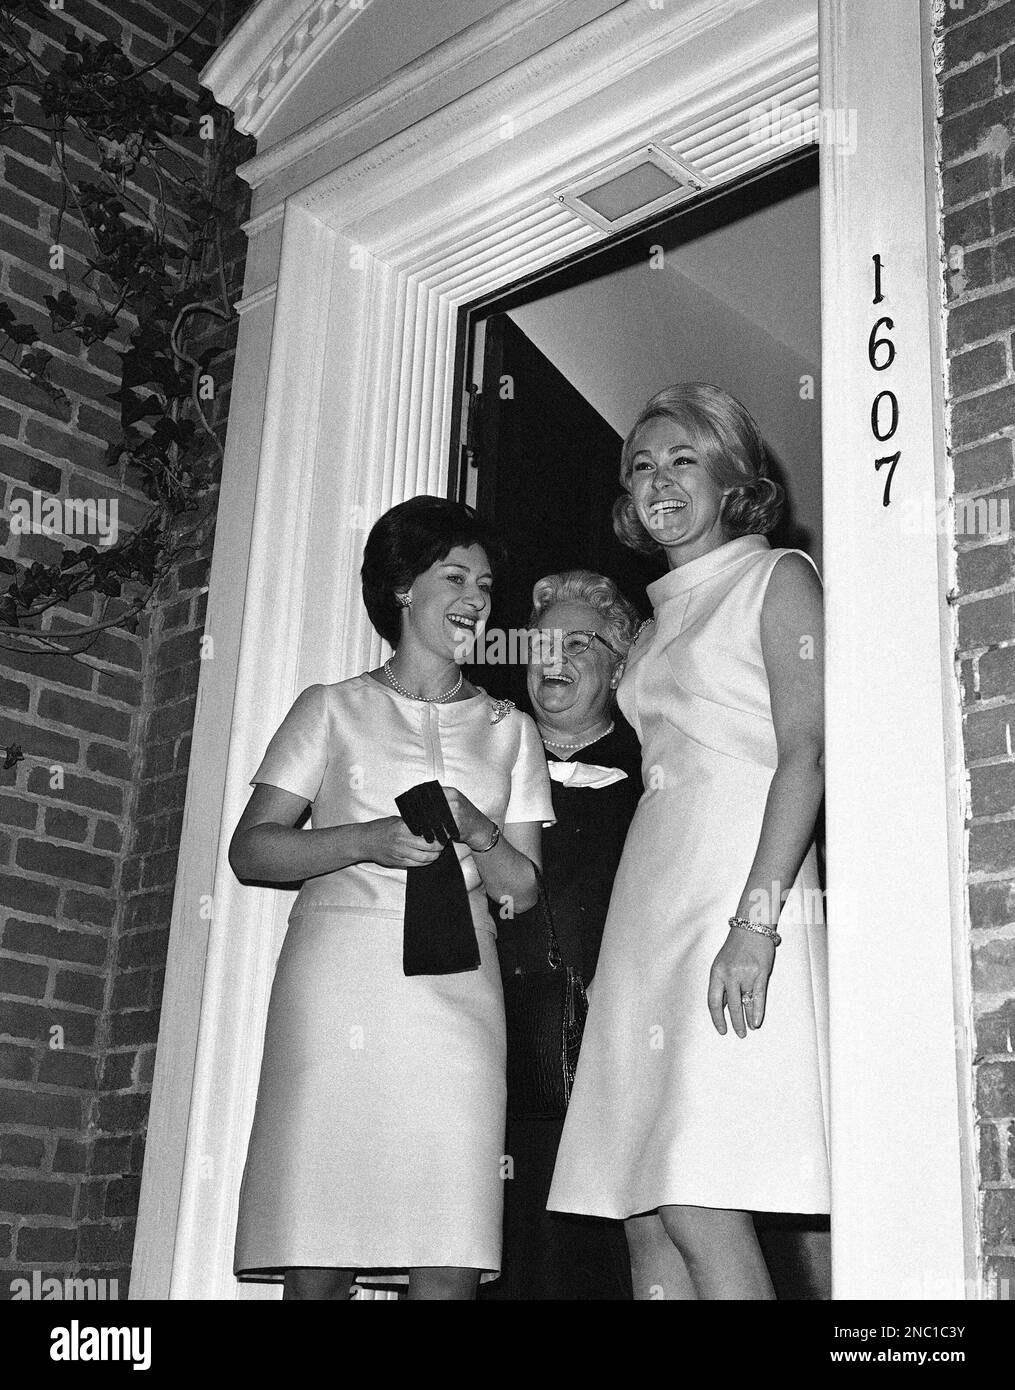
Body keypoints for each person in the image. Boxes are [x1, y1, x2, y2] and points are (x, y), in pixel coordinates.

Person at [229, 496, 554, 1300]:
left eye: (483, 582)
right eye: (454, 577)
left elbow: (523, 890)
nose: (476, 598)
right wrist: (360, 841)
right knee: (319, 1246)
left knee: (449, 1250)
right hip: (338, 976)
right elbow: (252, 850)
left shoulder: (511, 729)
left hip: (457, 992)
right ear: (402, 587)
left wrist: (481, 831)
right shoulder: (330, 706)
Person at [547, 383, 829, 1300]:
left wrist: (757, 923)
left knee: (699, 1195)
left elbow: (807, 752)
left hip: (731, 898)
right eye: (640, 464)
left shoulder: (775, 576)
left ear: (730, 477)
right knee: (643, 1212)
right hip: (648, 907)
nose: (657, 480)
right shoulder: (659, 614)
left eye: (682, 460)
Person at [479, 570, 642, 1301]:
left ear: (619, 663)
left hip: (616, 1058)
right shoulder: (481, 762)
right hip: (489, 1054)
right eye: (544, 641)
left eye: (581, 643)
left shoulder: (661, 776)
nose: (557, 658)